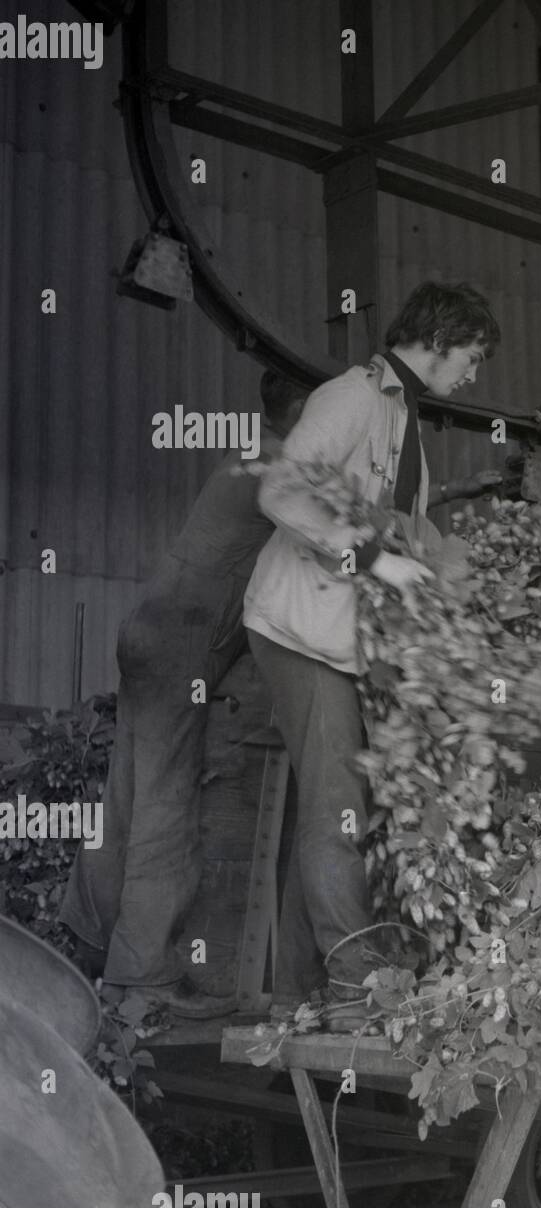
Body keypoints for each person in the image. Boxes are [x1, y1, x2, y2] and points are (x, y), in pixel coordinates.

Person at [243, 280, 501, 1025]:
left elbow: (387, 521)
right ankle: (358, 985)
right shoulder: (354, 397)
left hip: (340, 638)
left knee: (327, 804)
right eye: (473, 357)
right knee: (338, 809)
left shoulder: (400, 411)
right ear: (441, 338)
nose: (473, 374)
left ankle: (298, 987)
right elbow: (281, 495)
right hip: (298, 630)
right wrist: (375, 564)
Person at [60, 371, 307, 1016]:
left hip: (148, 629)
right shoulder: (281, 466)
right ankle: (141, 978)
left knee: (131, 791)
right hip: (180, 644)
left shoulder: (248, 456)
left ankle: (91, 941)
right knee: (167, 805)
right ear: (305, 412)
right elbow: (348, 533)